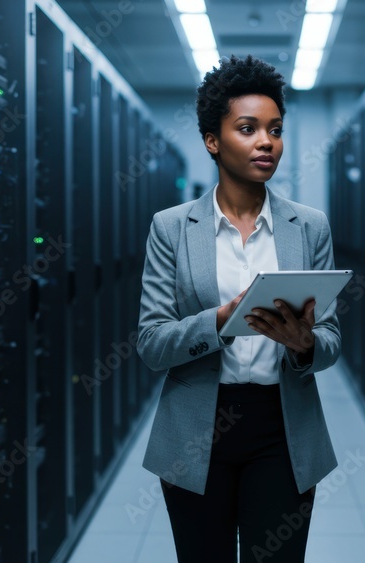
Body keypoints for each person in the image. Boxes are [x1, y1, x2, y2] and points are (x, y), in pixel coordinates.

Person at [136, 55, 342, 562]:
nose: (266, 141)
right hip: (196, 426)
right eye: (247, 128)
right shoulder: (171, 227)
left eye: (275, 129)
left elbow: (332, 340)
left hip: (283, 427)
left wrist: (304, 346)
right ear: (213, 140)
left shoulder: (309, 226)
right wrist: (222, 321)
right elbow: (151, 343)